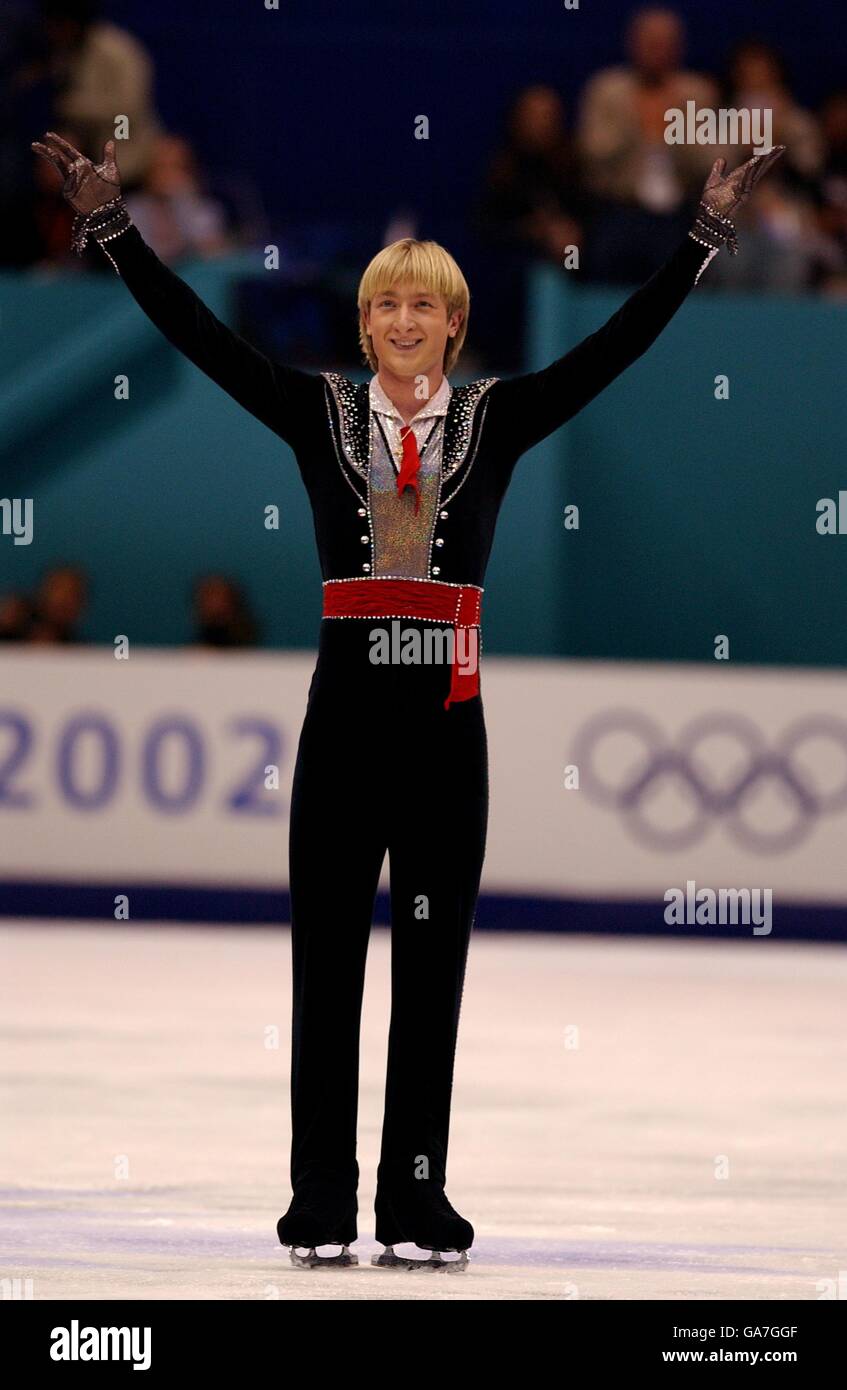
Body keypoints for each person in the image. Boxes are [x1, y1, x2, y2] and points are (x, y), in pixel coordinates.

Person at [31, 126, 784, 1271]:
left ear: (453, 326)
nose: (401, 323)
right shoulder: (312, 408)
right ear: (365, 322)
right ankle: (320, 1199)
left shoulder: (499, 419)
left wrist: (702, 237)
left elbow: (617, 346)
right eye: (385, 307)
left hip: (445, 734)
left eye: (422, 309)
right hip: (341, 728)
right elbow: (200, 334)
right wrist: (114, 229)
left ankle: (415, 1199)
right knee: (325, 966)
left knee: (430, 975)